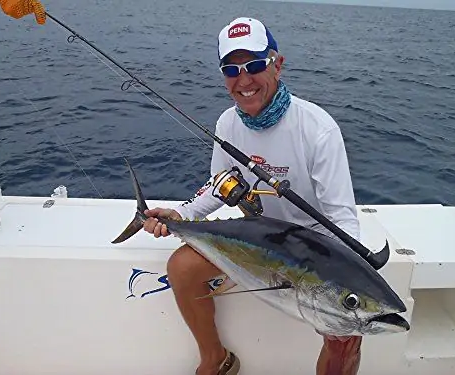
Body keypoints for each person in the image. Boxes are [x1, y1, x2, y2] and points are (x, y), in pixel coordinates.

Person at [143, 17, 363, 375]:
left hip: (313, 251)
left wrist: (348, 274)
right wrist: (182, 215)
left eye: (255, 65)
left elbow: (343, 218)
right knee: (182, 268)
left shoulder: (317, 129)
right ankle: (215, 360)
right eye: (231, 69)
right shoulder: (227, 123)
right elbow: (220, 182)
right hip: (255, 240)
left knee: (347, 330)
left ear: (278, 64)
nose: (243, 80)